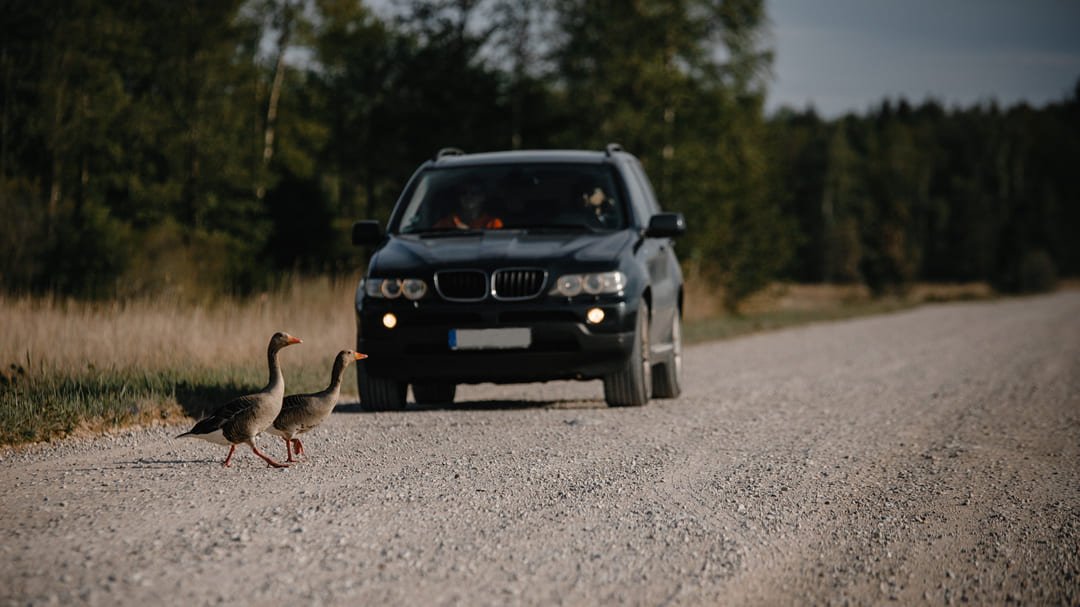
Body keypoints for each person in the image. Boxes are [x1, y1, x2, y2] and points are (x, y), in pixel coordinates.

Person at [434, 184, 504, 229]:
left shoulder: (493, 223)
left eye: (474, 193)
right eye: (464, 193)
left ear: (483, 197)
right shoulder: (445, 223)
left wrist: (468, 232)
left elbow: (495, 247)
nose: (468, 197)